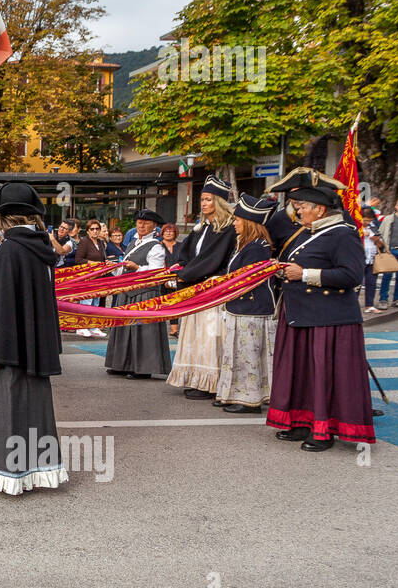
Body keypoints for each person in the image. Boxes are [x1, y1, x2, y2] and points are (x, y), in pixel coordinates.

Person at [0, 183, 66, 495]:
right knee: (31, 404)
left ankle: (5, 471)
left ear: (1, 220)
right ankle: (35, 469)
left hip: (5, 347)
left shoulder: (9, 251)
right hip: (32, 344)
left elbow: (0, 307)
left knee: (5, 405)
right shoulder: (41, 250)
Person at [265, 169, 373, 451]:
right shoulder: (313, 232)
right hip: (301, 312)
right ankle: (301, 422)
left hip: (328, 317)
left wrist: (305, 275)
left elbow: (352, 276)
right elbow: (296, 266)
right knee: (302, 373)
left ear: (320, 208)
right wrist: (283, 271)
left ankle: (323, 431)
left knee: (321, 374)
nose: (297, 212)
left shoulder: (342, 234)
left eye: (301, 208)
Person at [165, 177, 238, 400]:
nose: (203, 203)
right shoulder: (201, 228)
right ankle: (196, 379)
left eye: (208, 199)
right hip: (195, 287)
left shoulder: (226, 231)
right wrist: (179, 268)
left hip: (212, 290)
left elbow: (212, 260)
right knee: (195, 336)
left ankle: (211, 384)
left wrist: (183, 274)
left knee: (210, 336)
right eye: (202, 199)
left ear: (219, 202)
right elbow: (186, 254)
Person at [212, 194, 279, 414]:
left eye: (237, 220)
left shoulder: (258, 247)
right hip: (238, 307)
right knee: (235, 354)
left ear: (249, 223)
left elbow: (248, 280)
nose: (234, 223)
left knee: (248, 356)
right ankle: (231, 394)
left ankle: (251, 399)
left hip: (253, 309)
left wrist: (222, 285)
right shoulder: (244, 245)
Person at [103, 208, 172, 380]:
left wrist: (137, 268)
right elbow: (123, 271)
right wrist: (111, 268)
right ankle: (121, 364)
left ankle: (143, 368)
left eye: (146, 223)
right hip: (128, 291)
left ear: (154, 226)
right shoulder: (133, 243)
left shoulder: (156, 246)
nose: (141, 226)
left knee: (143, 331)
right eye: (139, 223)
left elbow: (155, 274)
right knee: (123, 329)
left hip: (145, 293)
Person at [73, 220, 108, 338]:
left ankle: (93, 326)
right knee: (86, 302)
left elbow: (102, 258)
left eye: (97, 229)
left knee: (95, 302)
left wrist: (105, 262)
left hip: (98, 277)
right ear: (88, 231)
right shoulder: (84, 242)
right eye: (92, 229)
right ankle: (81, 326)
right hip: (87, 277)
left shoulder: (101, 242)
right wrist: (94, 263)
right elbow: (78, 259)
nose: (95, 231)